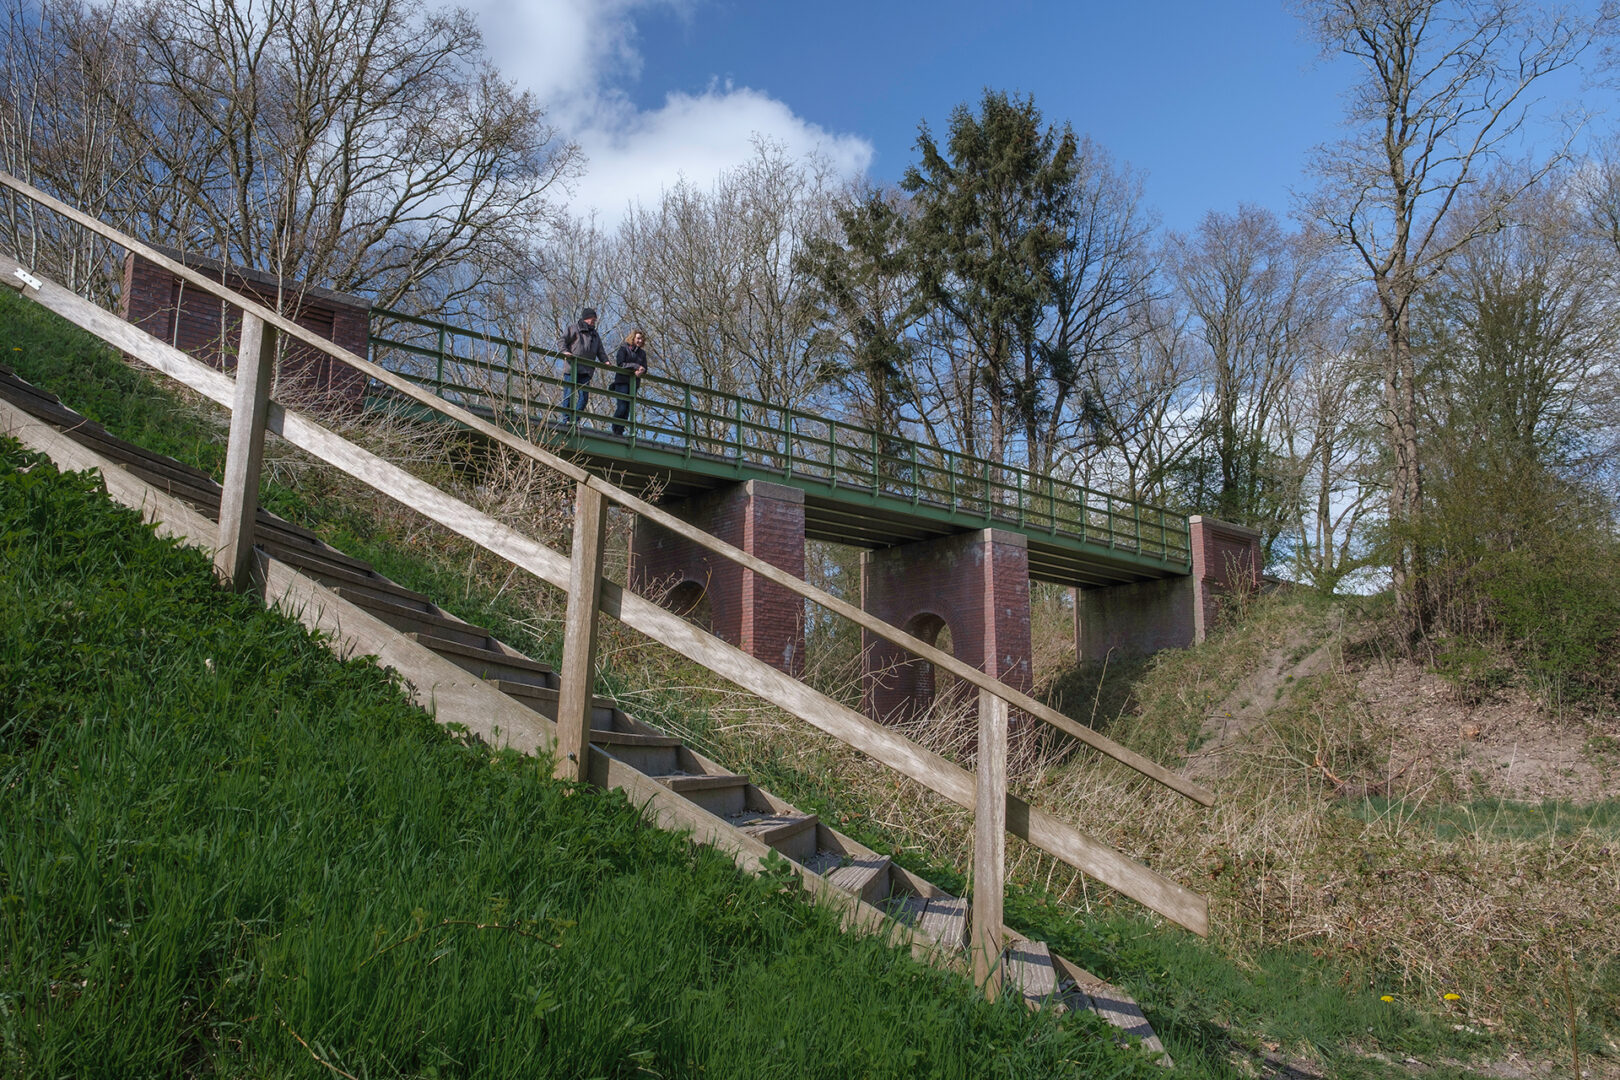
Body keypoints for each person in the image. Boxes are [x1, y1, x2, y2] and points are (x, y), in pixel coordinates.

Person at [559, 306, 610, 418]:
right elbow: (562, 340)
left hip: (586, 370)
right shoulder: (574, 328)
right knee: (569, 394)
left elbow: (600, 351)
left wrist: (605, 361)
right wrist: (565, 352)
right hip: (572, 367)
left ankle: (575, 419)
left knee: (584, 398)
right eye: (593, 319)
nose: (594, 321)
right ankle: (566, 420)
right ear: (587, 318)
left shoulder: (595, 335)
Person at [610, 329, 648, 436]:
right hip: (622, 381)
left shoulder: (642, 353)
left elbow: (645, 367)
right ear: (633, 338)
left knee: (627, 409)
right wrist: (636, 367)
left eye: (642, 339)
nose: (640, 341)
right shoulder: (624, 348)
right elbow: (620, 363)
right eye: (638, 338)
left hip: (634, 383)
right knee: (622, 407)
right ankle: (615, 428)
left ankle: (620, 431)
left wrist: (641, 370)